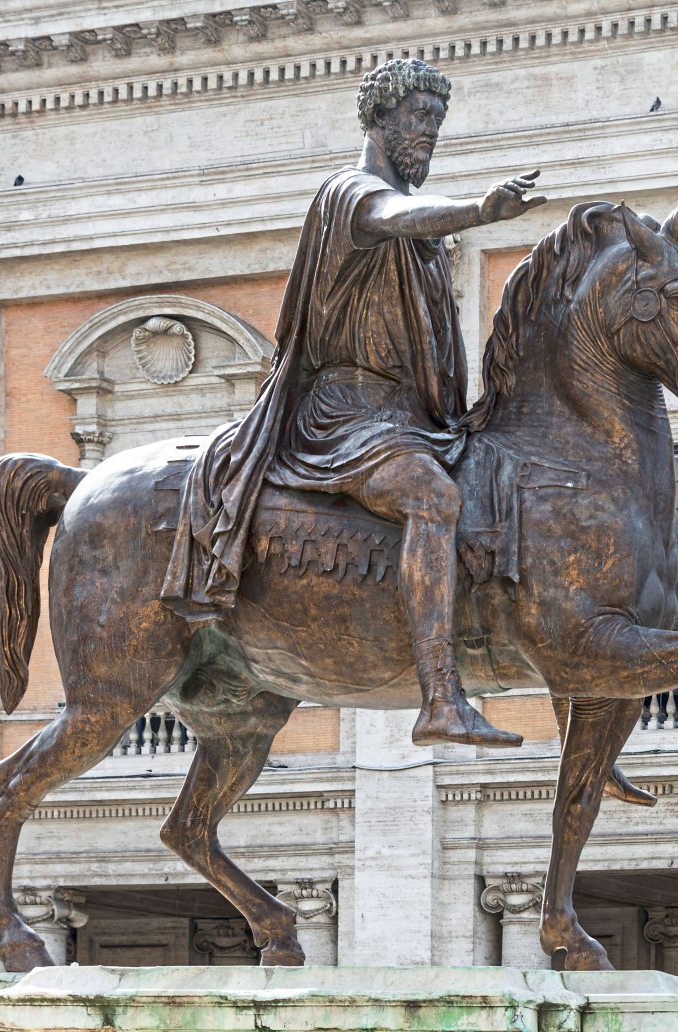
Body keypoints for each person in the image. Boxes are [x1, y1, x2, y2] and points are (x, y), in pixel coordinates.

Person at [162, 58, 545, 747]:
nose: (430, 132)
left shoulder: (415, 235)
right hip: (349, 416)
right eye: (419, 117)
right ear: (380, 120)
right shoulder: (351, 194)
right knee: (433, 499)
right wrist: (479, 211)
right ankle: (440, 696)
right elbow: (396, 214)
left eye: (437, 120)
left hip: (411, 419)